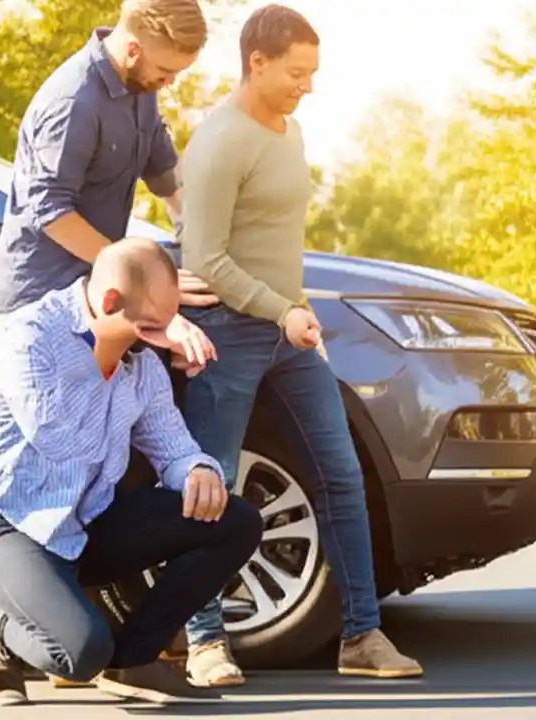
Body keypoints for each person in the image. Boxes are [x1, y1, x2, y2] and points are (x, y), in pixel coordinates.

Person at [174, 4, 424, 687]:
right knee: (211, 486)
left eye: (312, 73)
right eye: (296, 72)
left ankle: (362, 636)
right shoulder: (219, 143)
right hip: (227, 332)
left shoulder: (291, 132)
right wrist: (279, 309)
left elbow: (279, 242)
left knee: (340, 475)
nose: (307, 85)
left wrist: (298, 311)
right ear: (256, 62)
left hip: (288, 333)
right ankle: (203, 642)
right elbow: (206, 258)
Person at [0, 238, 263, 706]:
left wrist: (198, 471)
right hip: (9, 523)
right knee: (80, 654)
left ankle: (135, 659)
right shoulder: (29, 336)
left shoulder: (141, 358)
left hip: (86, 518)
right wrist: (109, 354)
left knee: (235, 521)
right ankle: (2, 633)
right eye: (149, 326)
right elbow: (57, 440)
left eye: (165, 324)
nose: (161, 338)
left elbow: (173, 444)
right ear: (108, 303)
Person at [0, 0, 218, 373]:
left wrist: (207, 245)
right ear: (133, 50)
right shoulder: (74, 102)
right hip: (36, 308)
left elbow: (166, 177)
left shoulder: (141, 87)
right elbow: (53, 214)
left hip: (95, 296)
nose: (171, 82)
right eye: (166, 71)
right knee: (70, 430)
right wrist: (138, 282)